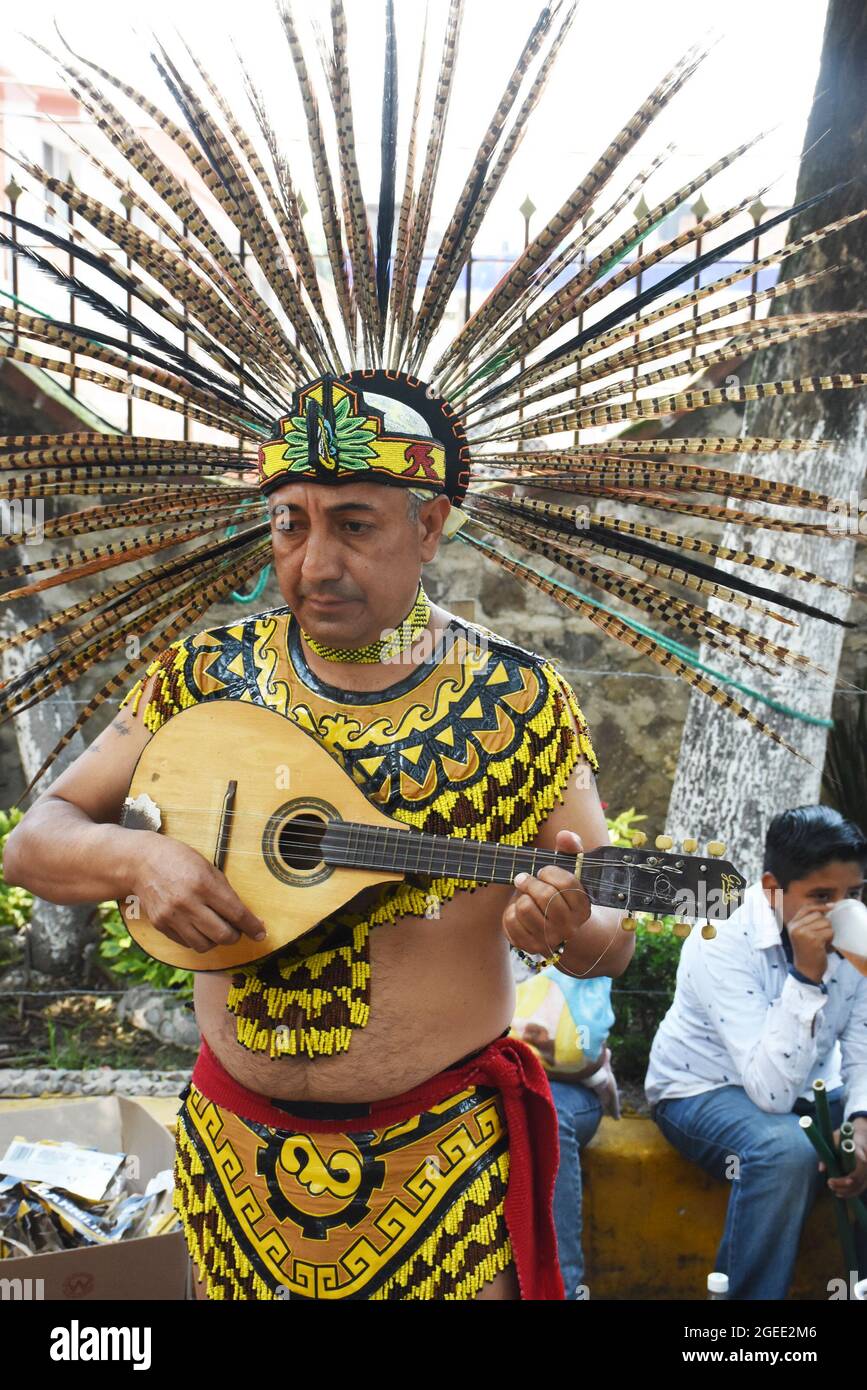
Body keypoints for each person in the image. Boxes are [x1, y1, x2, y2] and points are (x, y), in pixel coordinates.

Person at [645, 805, 867, 1299]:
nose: (841, 911)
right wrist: (806, 978)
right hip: (699, 1090)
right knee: (785, 1150)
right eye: (821, 897)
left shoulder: (856, 935)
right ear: (771, 888)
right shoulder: (721, 939)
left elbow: (861, 1045)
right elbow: (769, 1094)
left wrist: (861, 1120)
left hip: (806, 1088)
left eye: (853, 895)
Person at [511, 963, 620, 1298]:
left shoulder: (577, 940)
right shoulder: (476, 938)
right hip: (498, 1088)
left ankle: (564, 1290)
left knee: (546, 1115)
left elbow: (586, 1059)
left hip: (569, 1092)